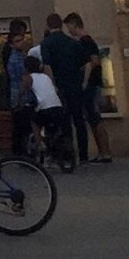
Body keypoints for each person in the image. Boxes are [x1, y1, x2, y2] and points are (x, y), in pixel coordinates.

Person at [37, 14, 86, 163]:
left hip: (60, 88)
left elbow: (47, 67)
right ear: (61, 25)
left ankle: (68, 155)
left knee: (64, 122)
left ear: (48, 25)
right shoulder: (73, 43)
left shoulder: (47, 43)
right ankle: (84, 156)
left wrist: (52, 86)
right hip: (75, 86)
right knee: (79, 121)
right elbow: (84, 64)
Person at [67, 13, 112, 162]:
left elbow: (94, 61)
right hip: (91, 84)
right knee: (92, 118)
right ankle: (102, 153)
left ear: (75, 25)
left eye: (69, 27)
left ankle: (105, 153)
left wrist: (82, 71)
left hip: (92, 85)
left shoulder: (86, 41)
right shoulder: (85, 41)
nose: (69, 31)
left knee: (95, 118)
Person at [25, 54, 71, 161]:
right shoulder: (46, 77)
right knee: (53, 126)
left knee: (34, 122)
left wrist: (18, 102)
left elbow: (23, 92)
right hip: (58, 107)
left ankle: (39, 143)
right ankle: (56, 144)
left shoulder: (29, 78)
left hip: (44, 108)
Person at [5, 20, 33, 157]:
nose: (20, 43)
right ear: (11, 44)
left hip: (18, 95)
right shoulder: (16, 59)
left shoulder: (20, 56)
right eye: (17, 41)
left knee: (20, 126)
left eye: (21, 40)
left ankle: (19, 153)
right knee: (23, 126)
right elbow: (24, 79)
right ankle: (22, 153)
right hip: (21, 97)